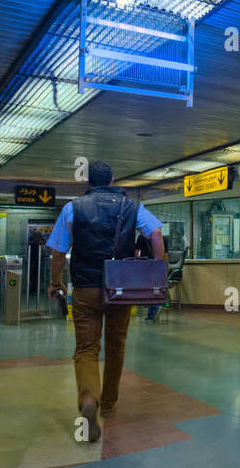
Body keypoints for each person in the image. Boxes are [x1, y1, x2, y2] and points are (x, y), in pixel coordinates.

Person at [46, 161, 164, 442]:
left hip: (86, 287)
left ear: (88, 181)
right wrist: (157, 269)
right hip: (121, 286)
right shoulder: (132, 206)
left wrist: (56, 282)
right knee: (116, 344)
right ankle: (109, 403)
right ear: (112, 179)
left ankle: (89, 399)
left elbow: (59, 252)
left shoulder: (73, 207)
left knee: (86, 347)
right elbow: (156, 234)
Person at [134, 229, 167, 322]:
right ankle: (152, 312)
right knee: (155, 288)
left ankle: (152, 311)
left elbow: (136, 253)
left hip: (145, 266)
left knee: (148, 289)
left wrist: (133, 264)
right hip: (158, 265)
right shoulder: (163, 238)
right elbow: (165, 255)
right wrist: (165, 269)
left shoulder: (141, 237)